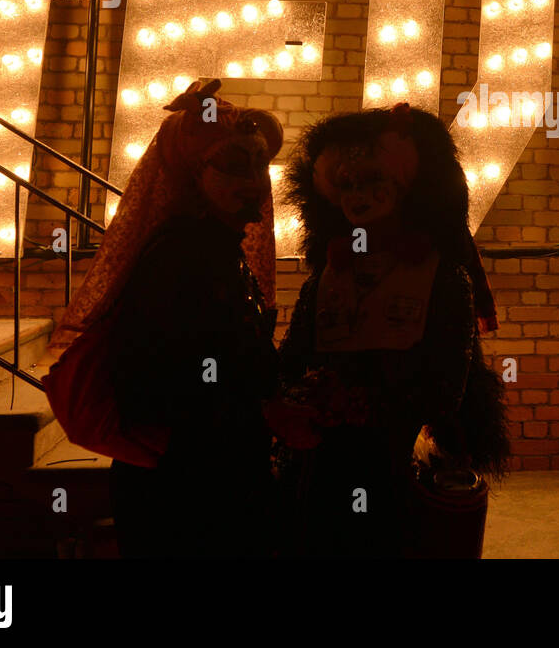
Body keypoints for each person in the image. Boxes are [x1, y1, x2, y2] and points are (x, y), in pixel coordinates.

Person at [51, 78, 285, 558]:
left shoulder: (220, 247)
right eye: (234, 165)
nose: (252, 181)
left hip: (211, 477)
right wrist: (260, 409)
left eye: (259, 164)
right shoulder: (180, 255)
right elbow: (154, 385)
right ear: (193, 175)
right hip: (186, 492)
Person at [270, 102, 509, 557]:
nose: (359, 194)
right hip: (318, 467)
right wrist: (302, 401)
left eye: (373, 180)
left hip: (398, 470)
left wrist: (358, 406)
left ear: (405, 188)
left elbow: (443, 390)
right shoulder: (326, 275)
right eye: (347, 183)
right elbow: (292, 359)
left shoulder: (441, 277)